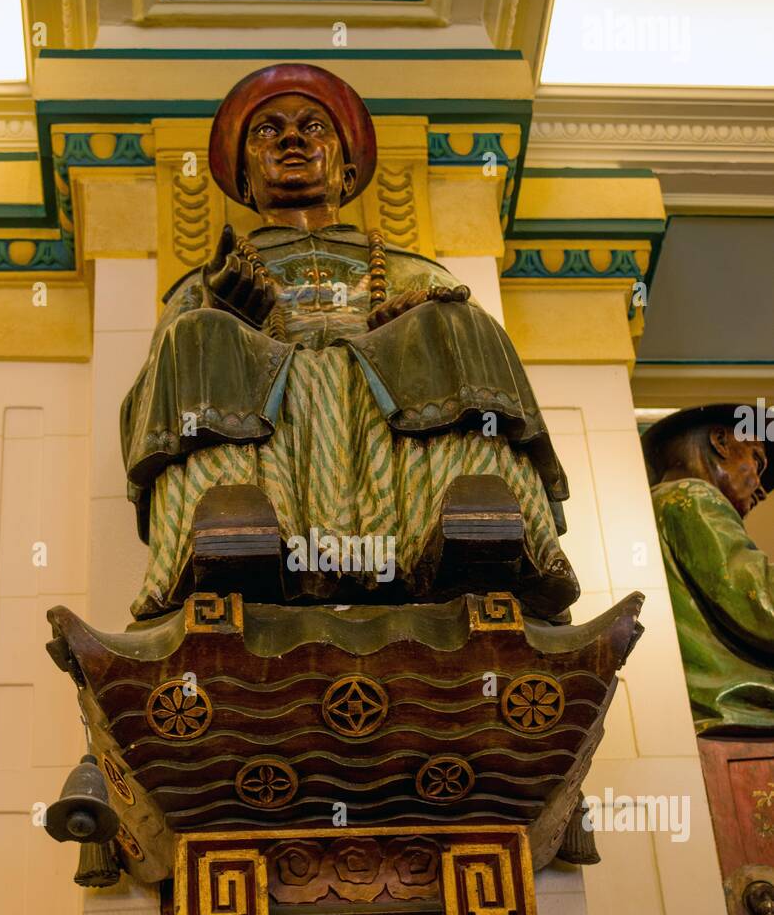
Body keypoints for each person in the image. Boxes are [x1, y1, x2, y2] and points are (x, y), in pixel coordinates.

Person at [121, 63, 579, 620]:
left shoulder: (413, 270)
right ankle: (234, 524)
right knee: (198, 334)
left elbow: (486, 364)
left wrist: (412, 324)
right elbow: (144, 409)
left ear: (348, 170)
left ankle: (472, 520)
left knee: (457, 323)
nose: (291, 137)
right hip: (272, 446)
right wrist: (230, 319)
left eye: (314, 126)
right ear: (244, 179)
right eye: (267, 130)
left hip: (386, 437)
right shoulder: (205, 283)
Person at [644, 403, 774, 732]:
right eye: (756, 460)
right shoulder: (695, 496)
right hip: (735, 710)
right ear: (719, 441)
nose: (759, 485)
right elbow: (757, 602)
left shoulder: (657, 506)